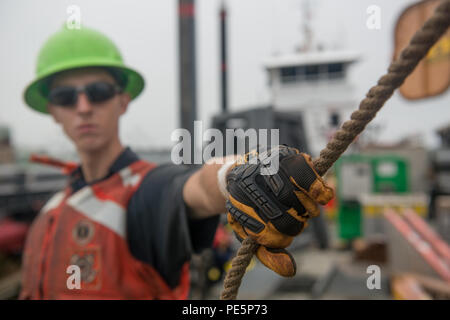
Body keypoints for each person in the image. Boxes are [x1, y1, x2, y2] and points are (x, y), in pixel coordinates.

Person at [20, 25, 334, 300]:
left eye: (98, 92)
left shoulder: (145, 192)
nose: (84, 107)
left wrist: (235, 174)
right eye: (66, 97)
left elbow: (194, 186)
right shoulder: (51, 210)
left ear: (123, 100)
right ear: (53, 110)